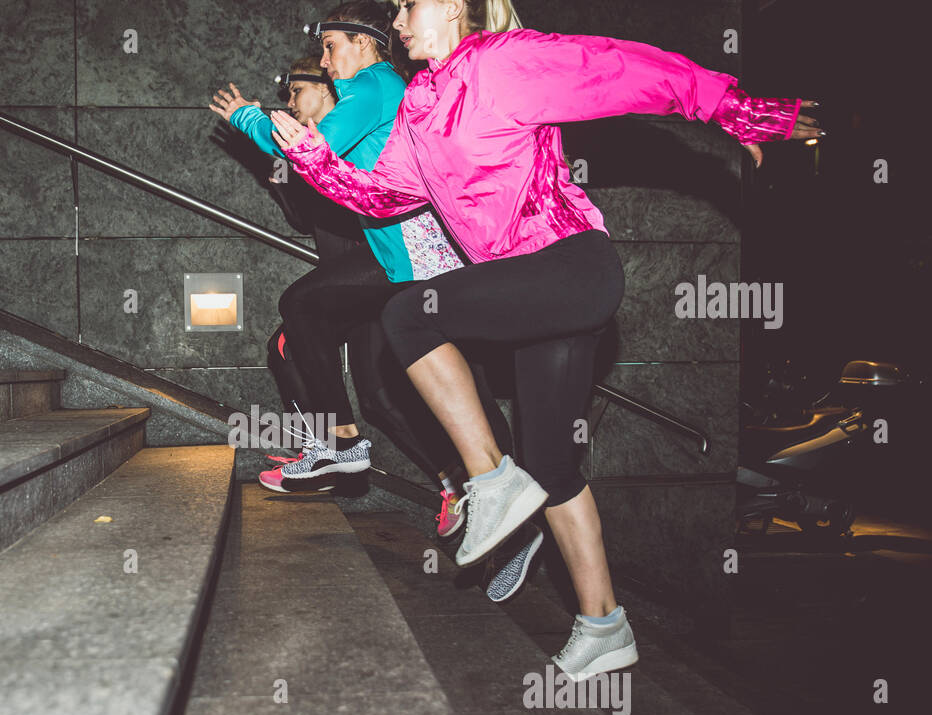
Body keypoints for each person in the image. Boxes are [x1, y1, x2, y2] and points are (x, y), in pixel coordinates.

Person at [270, 0, 821, 678]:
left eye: (408, 5)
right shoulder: (419, 106)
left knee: (411, 315)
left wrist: (731, 108)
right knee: (553, 465)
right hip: (529, 296)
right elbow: (382, 196)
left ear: (451, 7)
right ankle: (603, 624)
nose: (399, 19)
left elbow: (621, 68)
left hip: (569, 265)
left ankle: (491, 480)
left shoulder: (505, 61)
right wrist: (308, 152)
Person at [209, 3, 539, 576]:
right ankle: (501, 517)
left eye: (332, 47)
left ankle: (343, 443)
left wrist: (245, 117)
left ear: (362, 44)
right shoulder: (378, 87)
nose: (327, 62)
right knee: (398, 388)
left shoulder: (374, 83)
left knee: (300, 306)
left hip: (417, 261)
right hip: (402, 264)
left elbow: (308, 148)